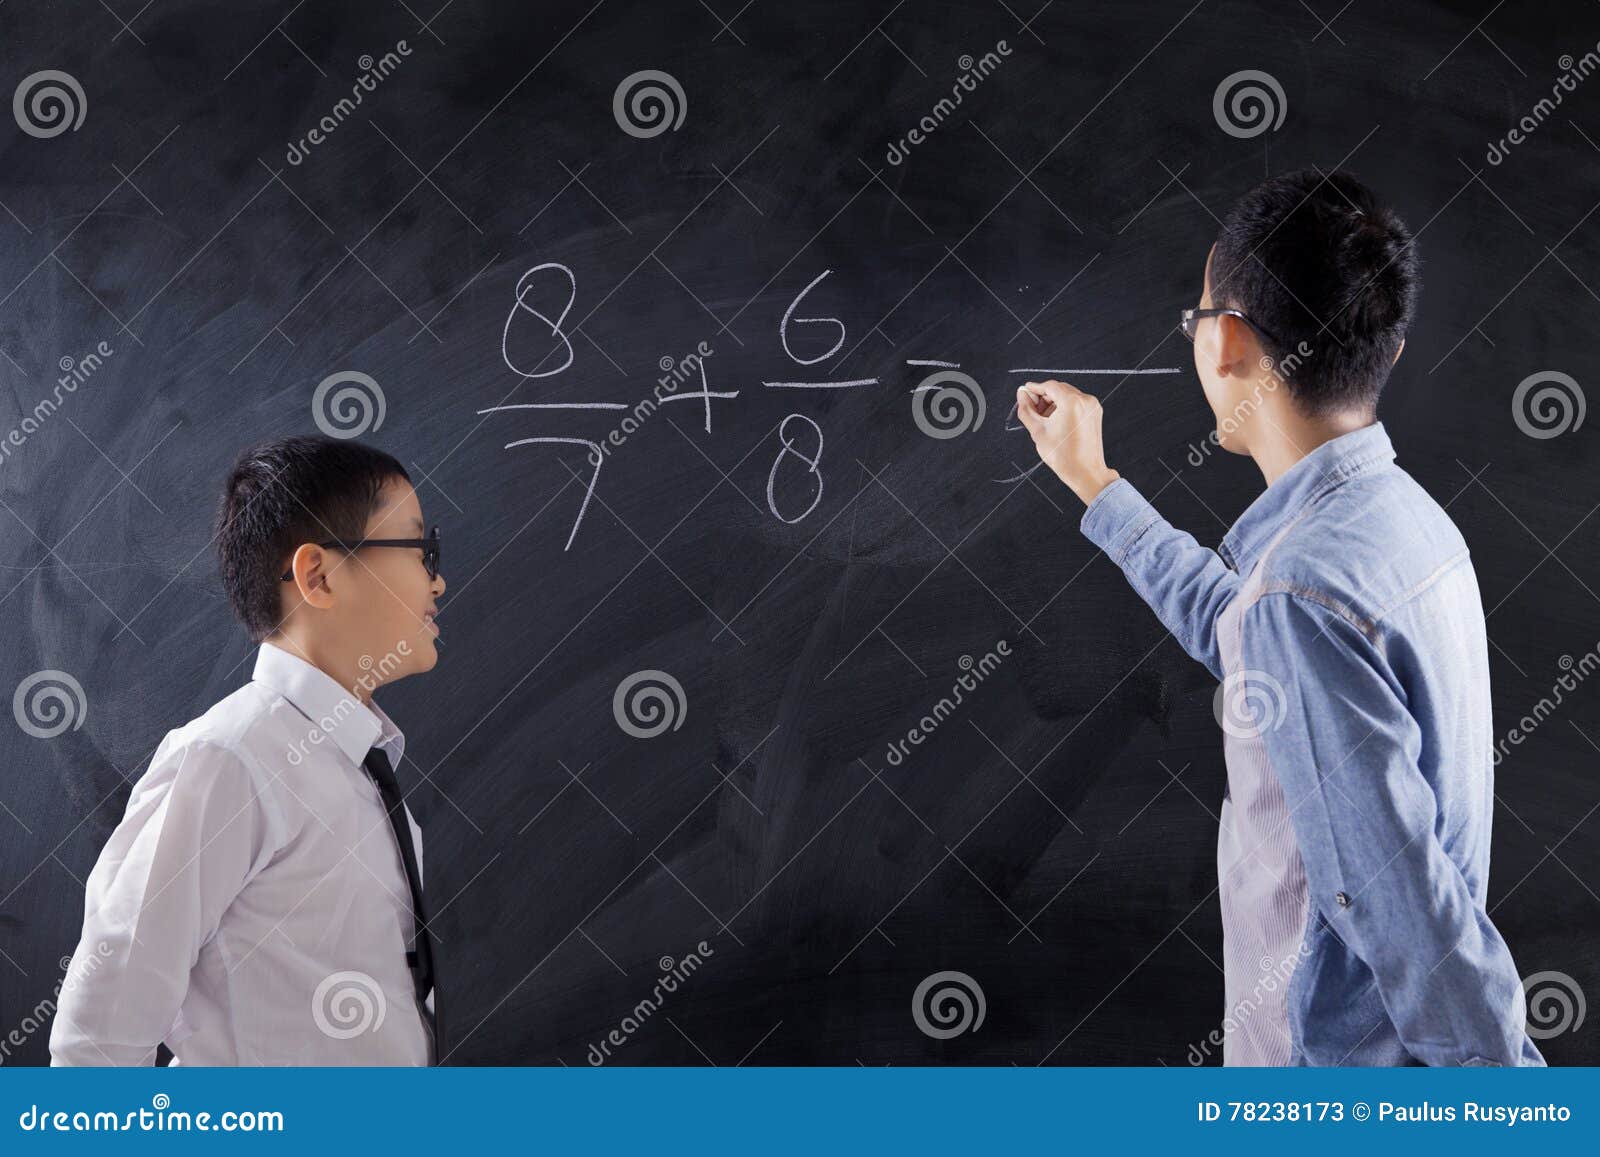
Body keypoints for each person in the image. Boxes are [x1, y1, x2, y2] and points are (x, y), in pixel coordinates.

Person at [1017, 168, 1544, 1067]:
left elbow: (1405, 908)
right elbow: (1248, 625)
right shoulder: (1402, 524)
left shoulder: (1298, 595)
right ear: (1388, 347)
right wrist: (1094, 484)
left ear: (1227, 342)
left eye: (1197, 320)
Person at [51, 435, 448, 1065]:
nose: (440, 580)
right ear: (318, 575)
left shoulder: (358, 763)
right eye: (420, 549)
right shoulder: (228, 759)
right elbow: (98, 1040)